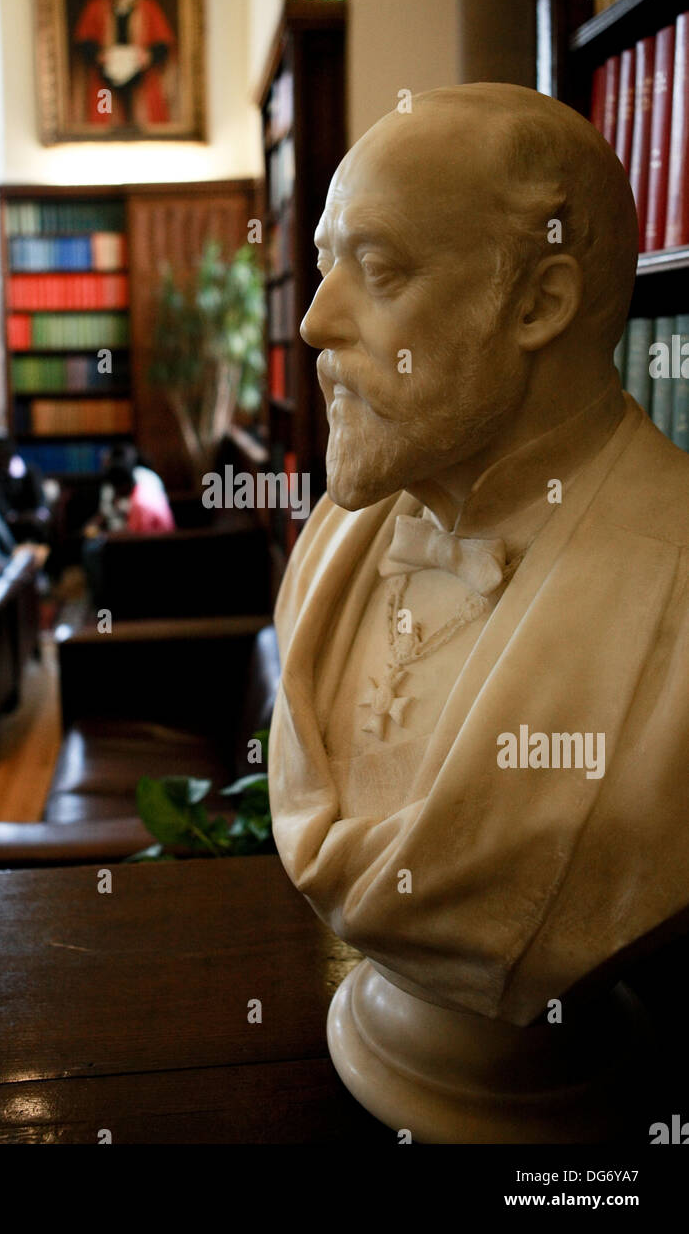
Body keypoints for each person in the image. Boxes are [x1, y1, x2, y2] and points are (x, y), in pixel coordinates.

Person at [268, 82, 689, 1030]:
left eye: (376, 270)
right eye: (326, 264)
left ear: (538, 302)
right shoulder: (336, 533)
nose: (315, 323)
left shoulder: (678, 570)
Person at [72, 0, 175, 129]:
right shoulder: (97, 6)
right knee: (103, 117)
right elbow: (84, 40)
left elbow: (164, 43)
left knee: (148, 121)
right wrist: (99, 55)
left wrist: (148, 56)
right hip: (105, 79)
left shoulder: (149, 7)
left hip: (142, 77)